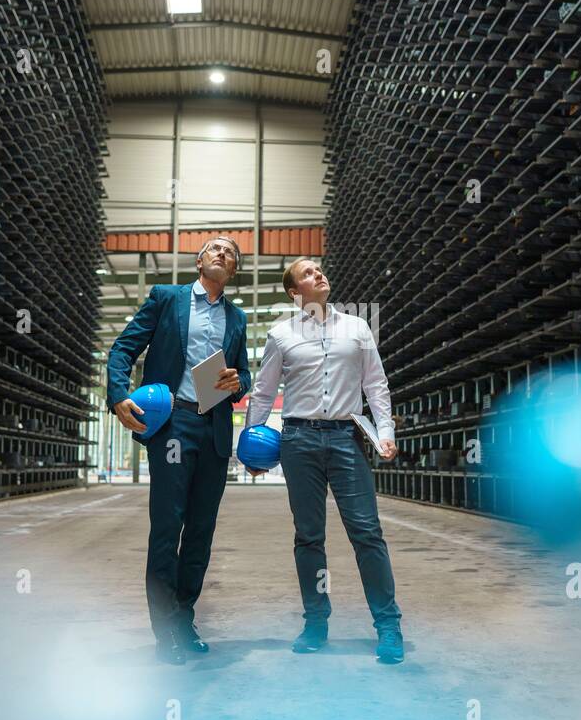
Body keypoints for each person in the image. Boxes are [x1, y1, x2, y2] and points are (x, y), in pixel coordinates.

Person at [245, 257, 405, 663]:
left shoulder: (357, 328)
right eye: (308, 273)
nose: (319, 274)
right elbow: (263, 393)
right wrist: (250, 445)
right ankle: (316, 622)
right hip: (297, 440)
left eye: (319, 269)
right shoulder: (281, 334)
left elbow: (376, 385)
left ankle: (388, 626)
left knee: (367, 531)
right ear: (294, 292)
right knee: (309, 536)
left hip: (346, 438)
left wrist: (384, 433)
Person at [107, 237, 250, 664]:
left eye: (232, 253)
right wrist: (118, 395)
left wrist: (238, 379)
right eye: (216, 249)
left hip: (215, 428)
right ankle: (164, 630)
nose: (223, 254)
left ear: (235, 270)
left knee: (201, 532)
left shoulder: (238, 318)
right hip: (173, 424)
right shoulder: (166, 298)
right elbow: (122, 349)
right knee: (168, 526)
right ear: (199, 260)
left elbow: (240, 370)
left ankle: (183, 619)